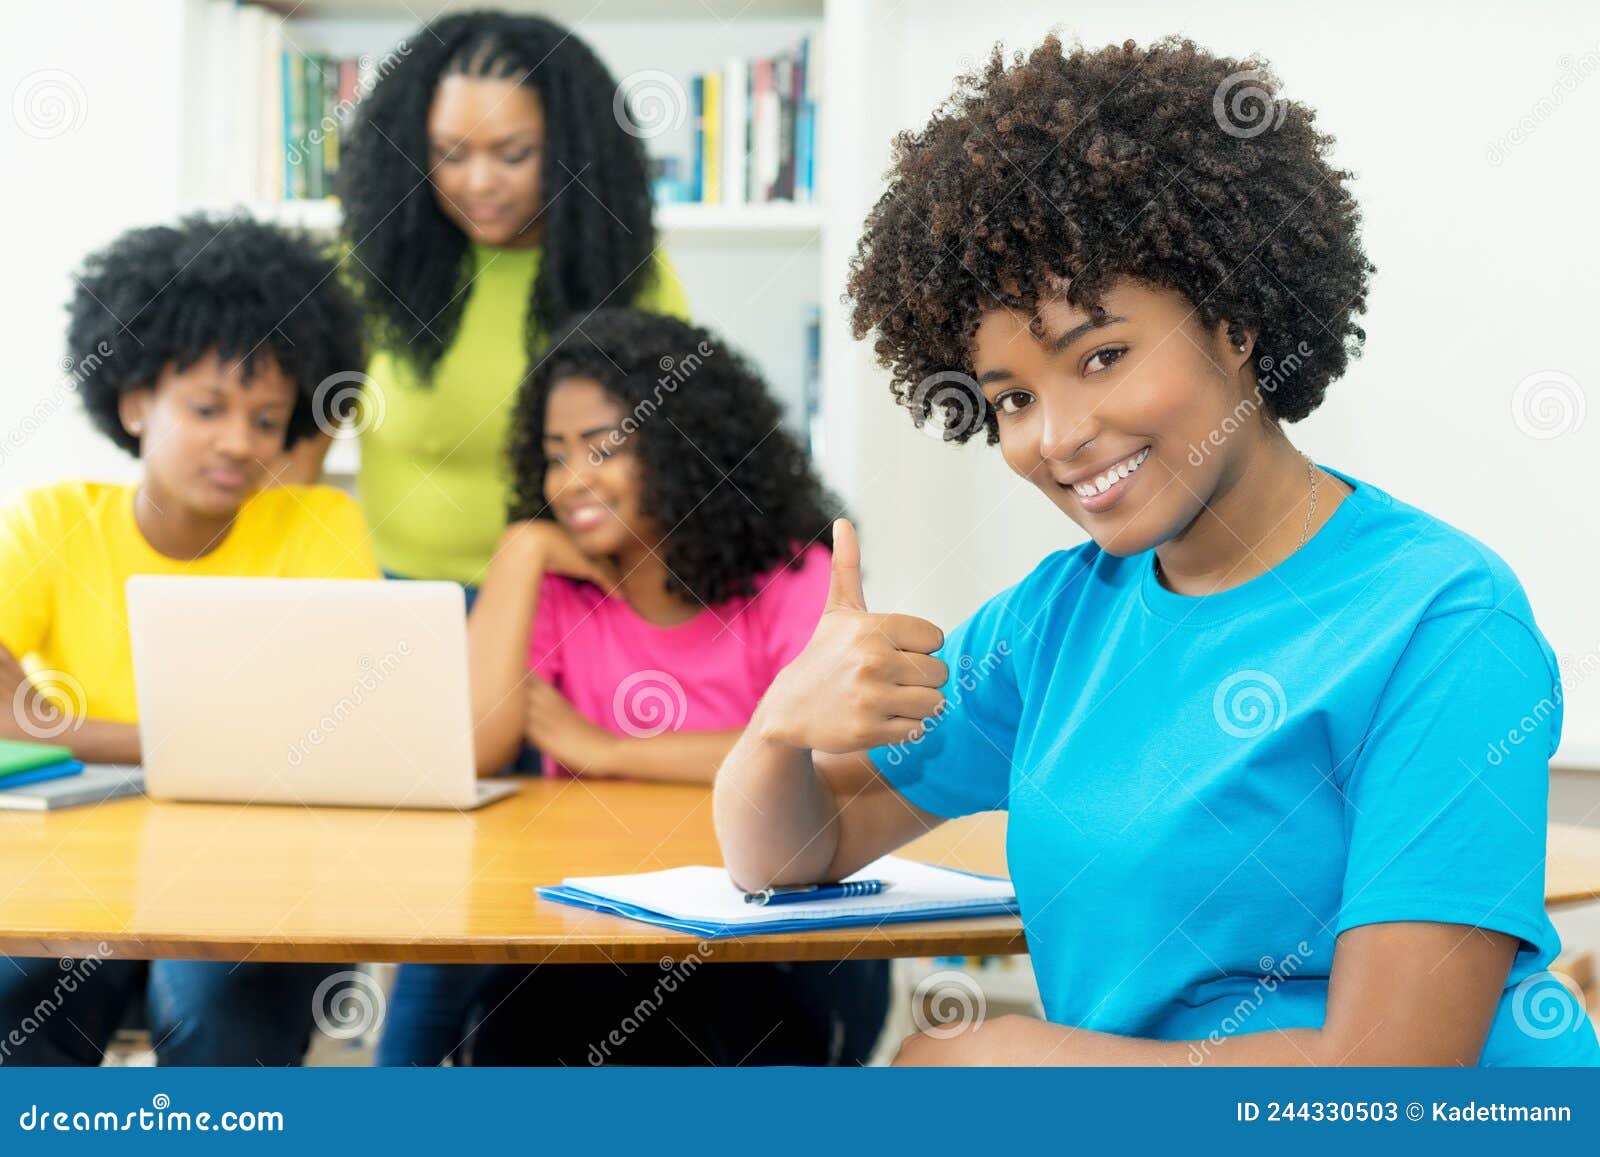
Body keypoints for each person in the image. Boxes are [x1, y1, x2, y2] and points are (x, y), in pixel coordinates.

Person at [714, 36, 1600, 1066]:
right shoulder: (1056, 619)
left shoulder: (1442, 618)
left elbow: (1388, 1078)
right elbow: (793, 851)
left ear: (1235, 322)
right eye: (1012, 398)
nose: (1058, 435)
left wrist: (1010, 1063)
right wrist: (777, 728)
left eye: (1102, 355)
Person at [377, 309, 889, 1066]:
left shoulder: (793, 575)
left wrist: (607, 750)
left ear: (683, 444)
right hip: (591, 926)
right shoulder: (560, 589)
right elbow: (472, 749)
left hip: (761, 927)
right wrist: (518, 553)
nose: (570, 480)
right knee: (513, 1028)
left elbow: (821, 756)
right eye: (554, 456)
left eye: (602, 447)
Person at [0, 215, 379, 1065]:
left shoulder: (319, 524)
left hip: (256, 867)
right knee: (15, 991)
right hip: (73, 861)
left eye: (267, 418)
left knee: (218, 1006)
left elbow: (337, 730)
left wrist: (77, 735)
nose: (239, 442)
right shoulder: (51, 520)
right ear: (134, 400)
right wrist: (195, 747)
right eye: (207, 408)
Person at [283, 9, 690, 594]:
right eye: (451, 154)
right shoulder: (372, 267)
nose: (477, 183)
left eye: (512, 154)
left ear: (569, 152)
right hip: (396, 594)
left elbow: (666, 470)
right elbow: (297, 463)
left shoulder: (628, 273)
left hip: (568, 597)